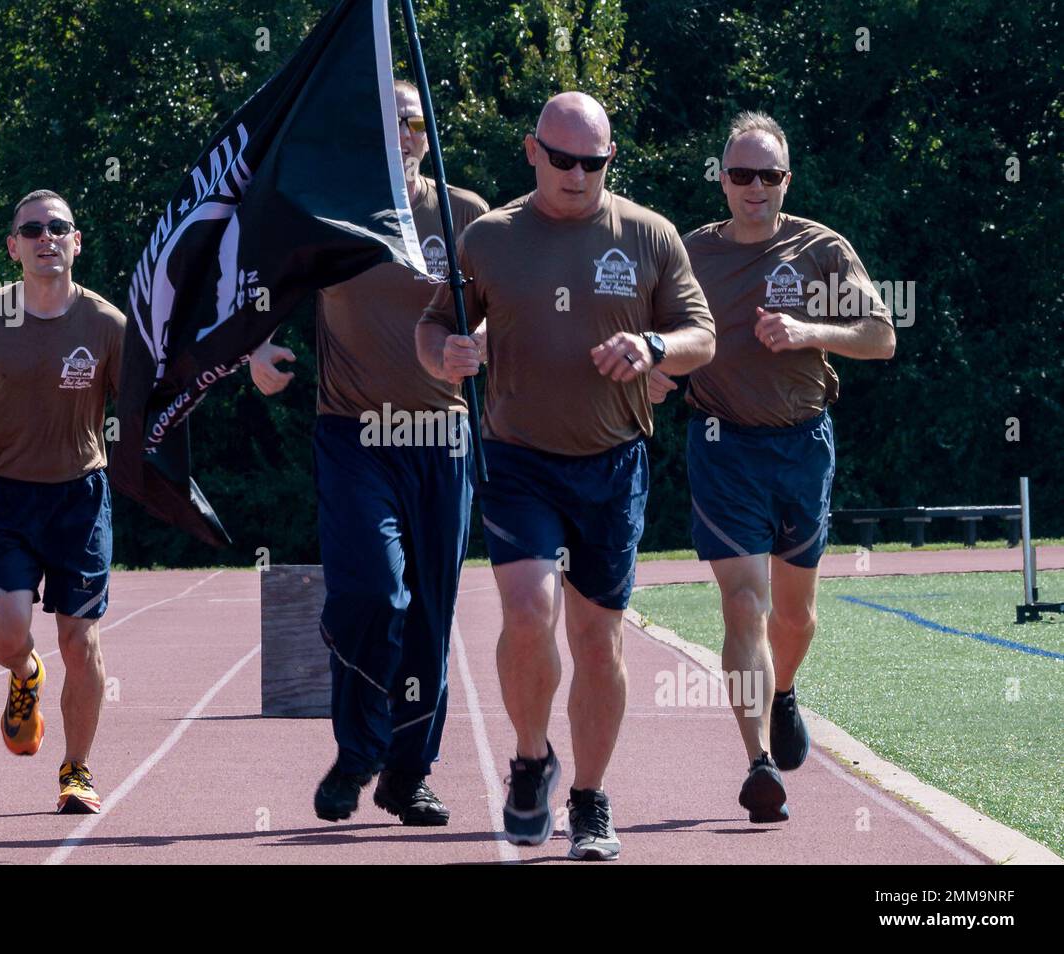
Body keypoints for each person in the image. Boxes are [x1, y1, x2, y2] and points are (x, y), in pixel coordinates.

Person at [417, 92, 715, 859]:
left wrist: (653, 348)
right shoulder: (490, 237)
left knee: (597, 639)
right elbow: (434, 323)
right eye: (563, 159)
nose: (578, 174)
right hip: (518, 458)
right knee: (526, 614)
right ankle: (527, 758)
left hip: (613, 462)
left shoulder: (648, 235)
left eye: (595, 161)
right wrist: (443, 355)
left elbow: (701, 336)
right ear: (531, 151)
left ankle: (589, 798)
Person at [252, 80, 488, 826]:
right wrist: (257, 347)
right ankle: (359, 749)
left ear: (428, 132)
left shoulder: (467, 215)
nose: (405, 134)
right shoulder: (331, 209)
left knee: (430, 616)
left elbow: (508, 311)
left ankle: (407, 775)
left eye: (414, 121)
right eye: (388, 122)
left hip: (442, 440)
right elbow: (260, 284)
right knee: (372, 595)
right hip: (355, 433)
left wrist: (483, 343)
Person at [650, 111, 895, 822]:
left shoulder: (821, 249)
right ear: (721, 179)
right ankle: (758, 761)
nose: (754, 187)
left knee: (796, 616)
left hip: (802, 444)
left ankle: (783, 691)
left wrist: (809, 332)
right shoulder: (688, 253)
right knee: (743, 605)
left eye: (768, 175)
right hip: (724, 447)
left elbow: (880, 338)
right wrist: (655, 370)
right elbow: (655, 336)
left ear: (787, 180)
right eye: (740, 174)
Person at [0, 189, 126, 815]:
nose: (47, 237)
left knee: (81, 640)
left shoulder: (107, 324)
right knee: (8, 632)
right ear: (14, 246)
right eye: (33, 229)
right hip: (3, 498)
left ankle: (77, 770)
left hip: (79, 498)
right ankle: (23, 676)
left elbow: (148, 406)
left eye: (59, 227)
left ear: (77, 241)